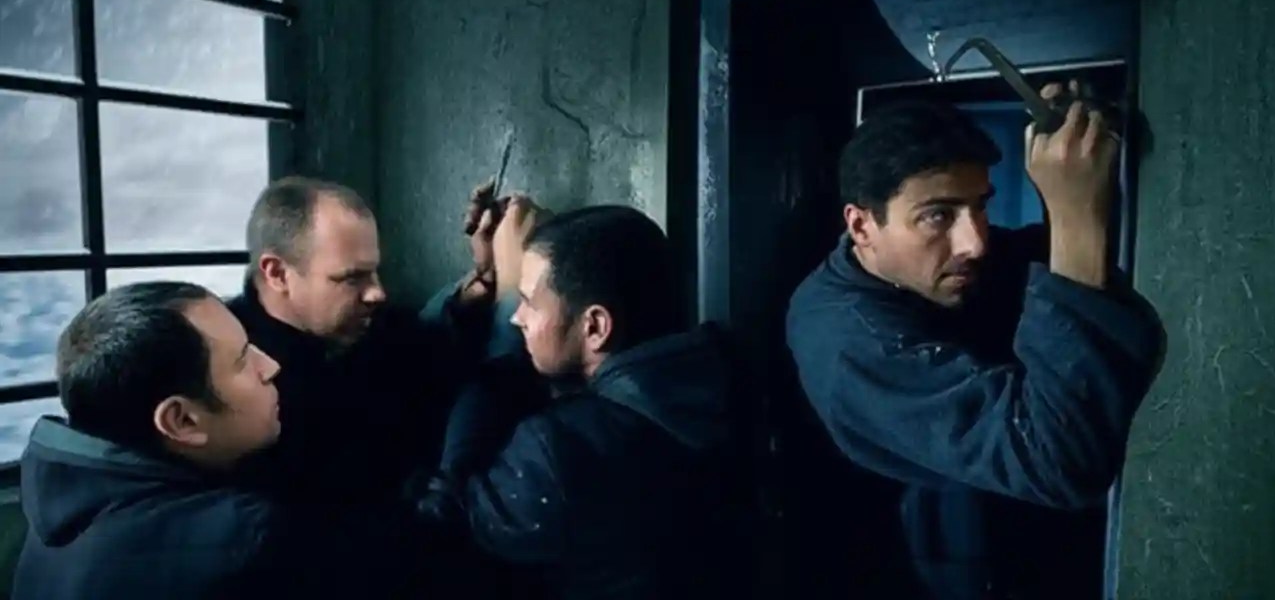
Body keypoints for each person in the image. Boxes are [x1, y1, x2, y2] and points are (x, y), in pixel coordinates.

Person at [785, 83, 1165, 599]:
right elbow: (1058, 464)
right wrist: (1076, 219)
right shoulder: (849, 341)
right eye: (937, 215)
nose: (975, 242)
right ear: (862, 226)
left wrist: (1081, 156)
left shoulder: (944, 265)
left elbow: (1056, 262)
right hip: (959, 567)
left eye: (980, 207)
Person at [410, 203, 741, 600]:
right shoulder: (726, 380)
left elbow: (439, 529)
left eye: (528, 301)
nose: (518, 317)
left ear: (595, 326)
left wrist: (499, 316)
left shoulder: (556, 452)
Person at [11, 282, 404, 599]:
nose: (270, 365)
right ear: (181, 420)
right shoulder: (243, 543)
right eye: (241, 360)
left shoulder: (55, 520)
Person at [226, 176, 510, 597]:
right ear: (277, 273)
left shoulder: (367, 323)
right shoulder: (233, 381)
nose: (377, 292)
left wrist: (481, 286)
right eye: (351, 278)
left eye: (374, 271)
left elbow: (423, 350)